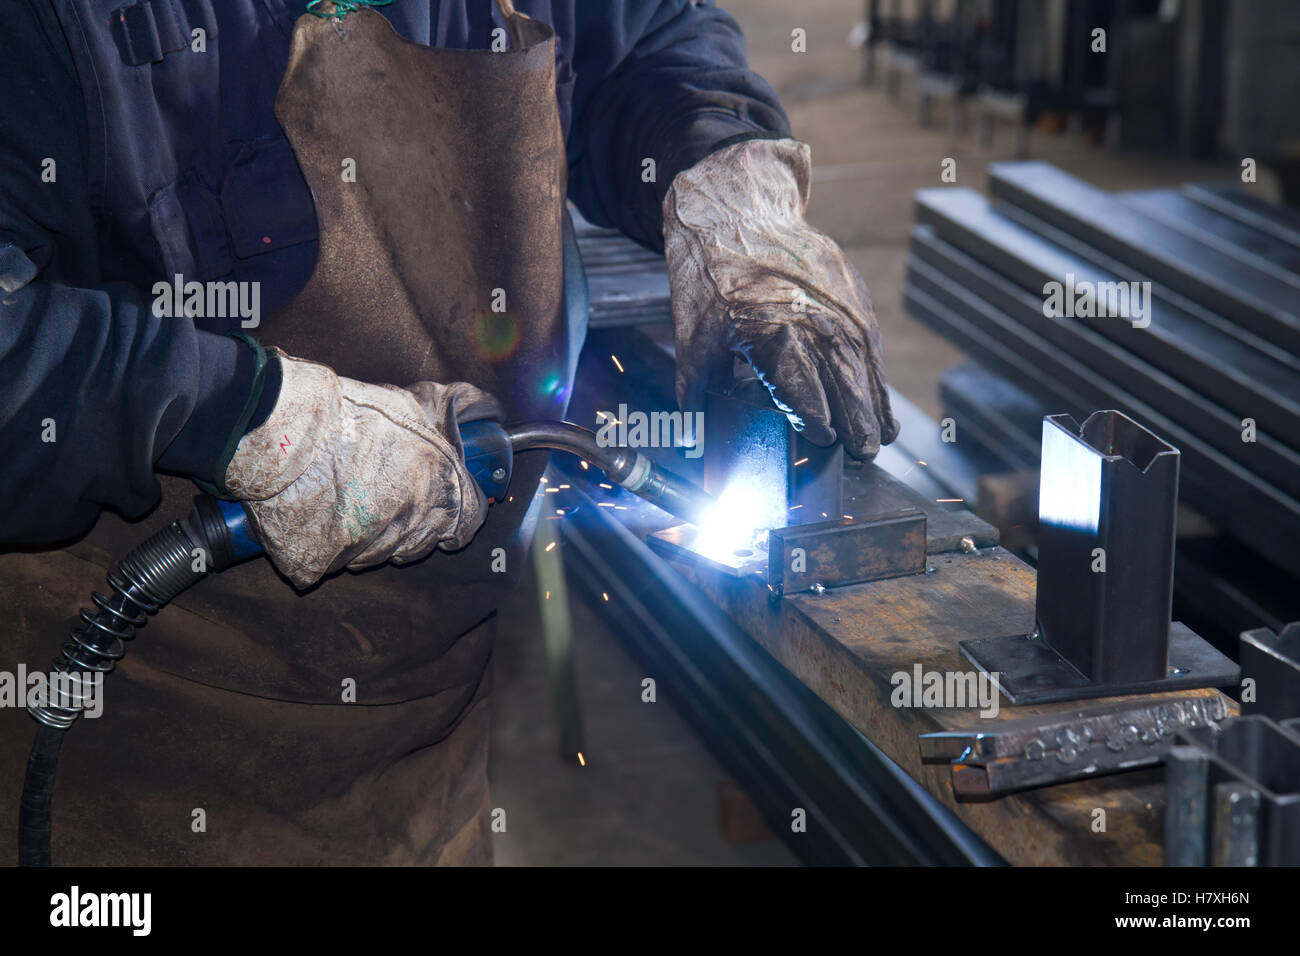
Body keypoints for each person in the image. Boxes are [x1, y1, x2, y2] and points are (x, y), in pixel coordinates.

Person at [0, 0, 895, 864]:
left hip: (430, 742)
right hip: (145, 750)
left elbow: (643, 38)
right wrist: (250, 420)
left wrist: (724, 170)